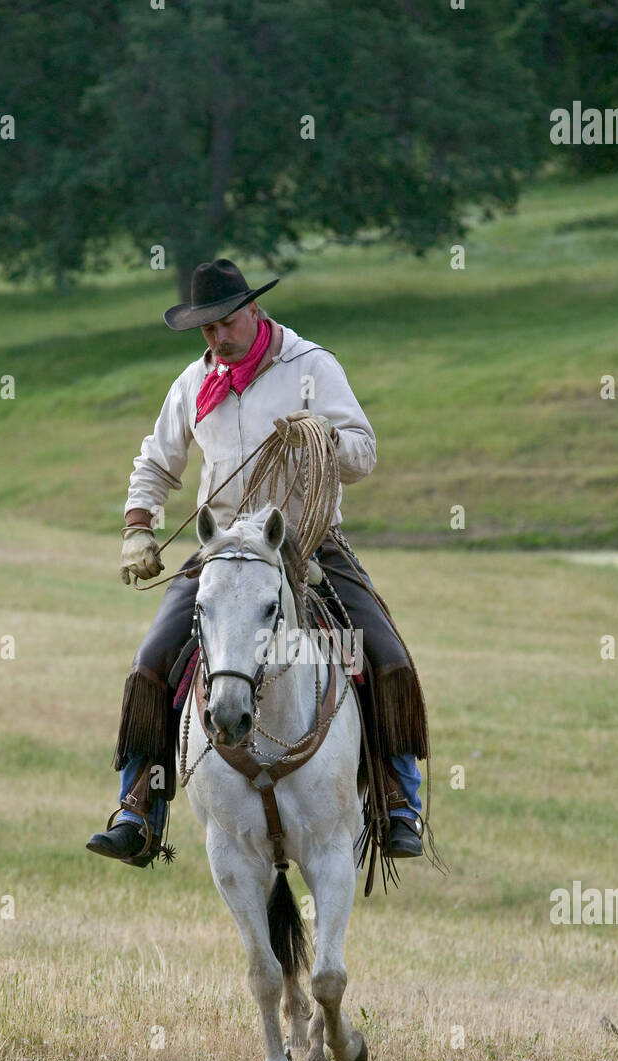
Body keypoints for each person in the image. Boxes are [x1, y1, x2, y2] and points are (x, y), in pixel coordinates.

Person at [87, 259, 427, 868]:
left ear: (254, 312)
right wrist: (139, 525)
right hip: (220, 552)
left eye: (224, 322)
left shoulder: (311, 366)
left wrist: (320, 434)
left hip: (307, 542)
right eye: (206, 328)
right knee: (150, 664)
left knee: (381, 655)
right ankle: (140, 808)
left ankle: (398, 801)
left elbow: (364, 453)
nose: (217, 337)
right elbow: (157, 462)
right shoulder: (194, 382)